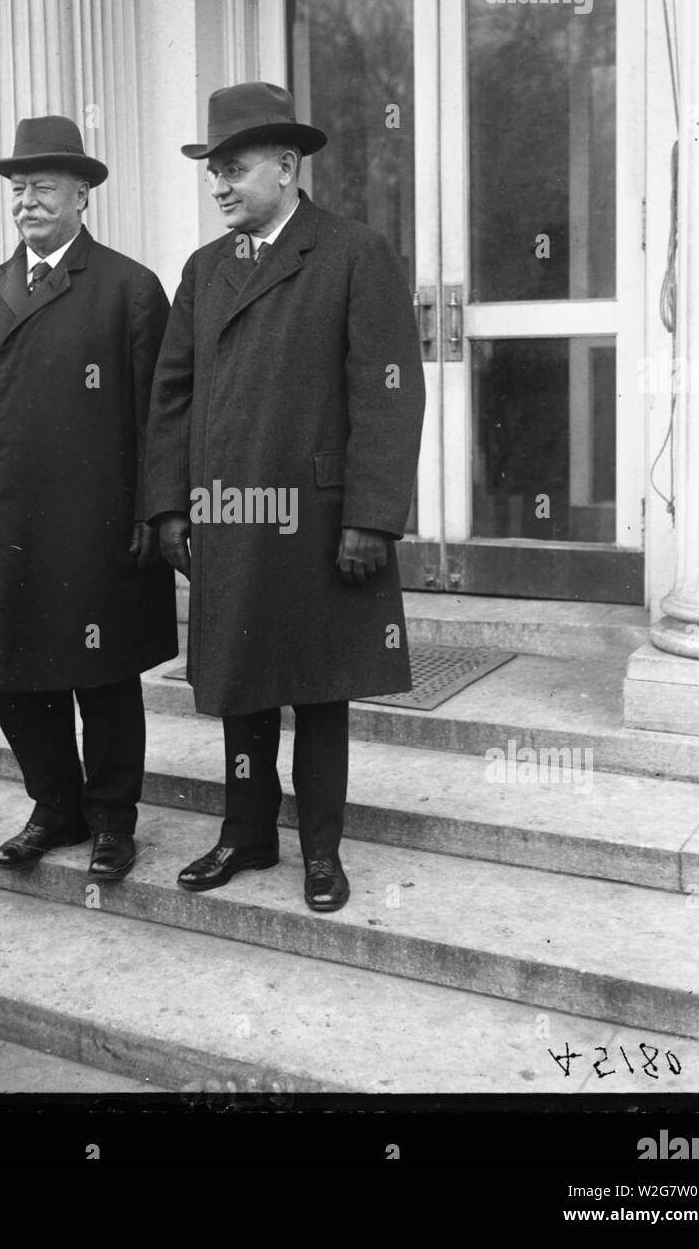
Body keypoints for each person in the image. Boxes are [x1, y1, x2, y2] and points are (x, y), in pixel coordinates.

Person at [145, 82, 425, 913]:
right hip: (229, 518)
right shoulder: (204, 270)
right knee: (240, 684)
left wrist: (370, 519)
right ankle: (245, 832)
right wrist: (168, 507)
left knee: (318, 688)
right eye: (212, 172)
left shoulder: (350, 253)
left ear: (287, 166)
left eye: (233, 170)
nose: (220, 186)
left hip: (318, 521)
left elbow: (387, 393)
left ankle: (322, 850)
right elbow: (171, 394)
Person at [0, 115, 177, 881]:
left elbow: (158, 416)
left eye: (43, 188)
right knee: (11, 672)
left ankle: (111, 822)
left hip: (94, 523)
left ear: (81, 197)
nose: (27, 202)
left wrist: (151, 509)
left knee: (101, 678)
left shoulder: (129, 290)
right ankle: (54, 807)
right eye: (18, 189)